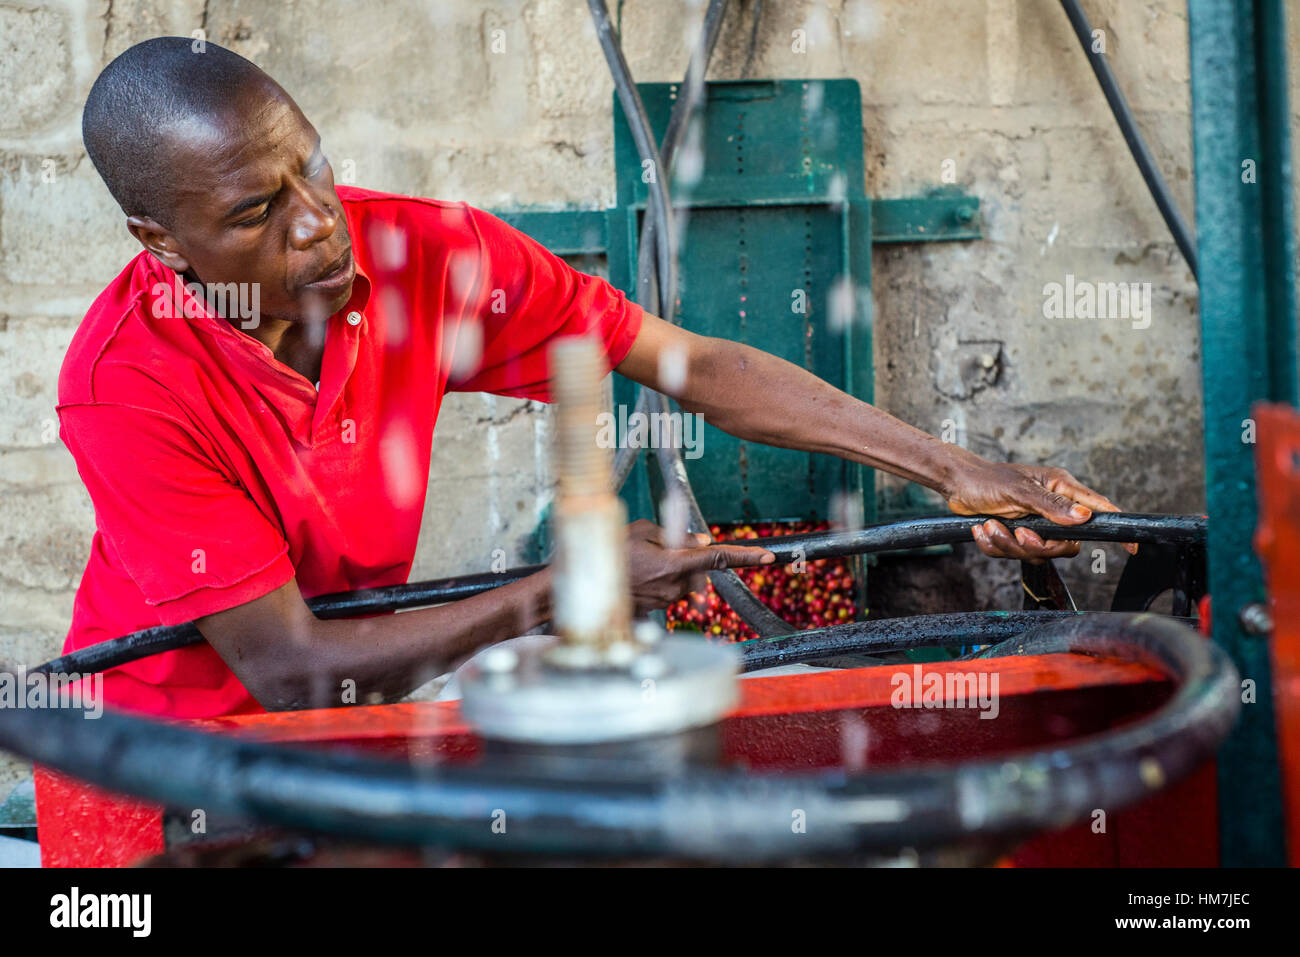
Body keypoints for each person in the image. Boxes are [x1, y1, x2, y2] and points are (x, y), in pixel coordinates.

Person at [59, 37, 1129, 719]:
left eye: (315, 166)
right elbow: (287, 670)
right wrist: (561, 590)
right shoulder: (127, 383)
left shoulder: (420, 258)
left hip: (349, 715)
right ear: (160, 242)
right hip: (170, 756)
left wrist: (953, 468)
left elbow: (691, 364)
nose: (317, 220)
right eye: (255, 212)